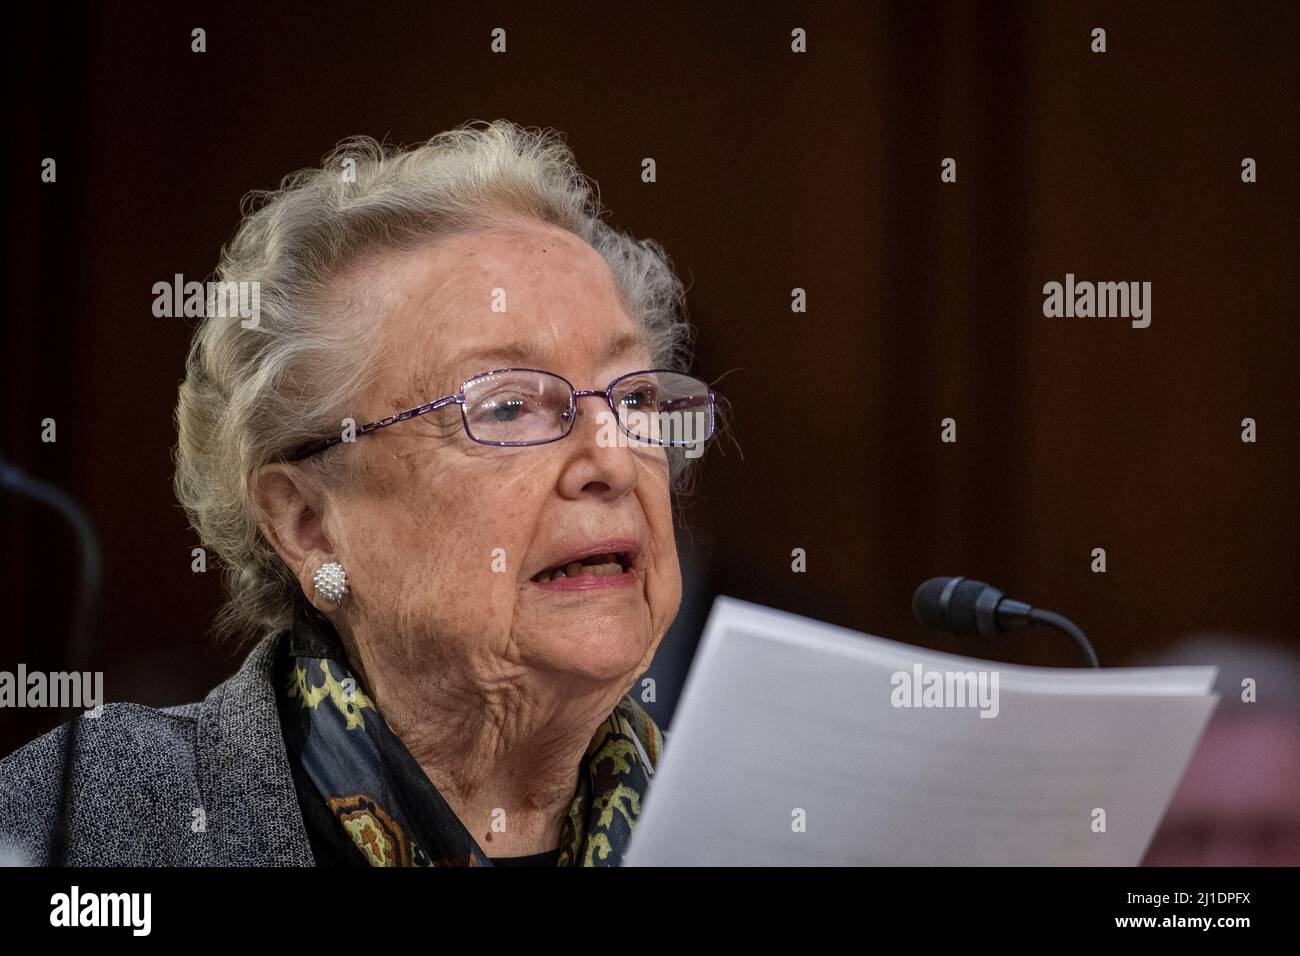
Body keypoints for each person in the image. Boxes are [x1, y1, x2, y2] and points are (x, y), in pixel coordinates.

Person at [0, 120, 718, 866]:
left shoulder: (759, 823)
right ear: (308, 523)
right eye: (506, 406)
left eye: (633, 399)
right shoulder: (102, 825)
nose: (612, 460)